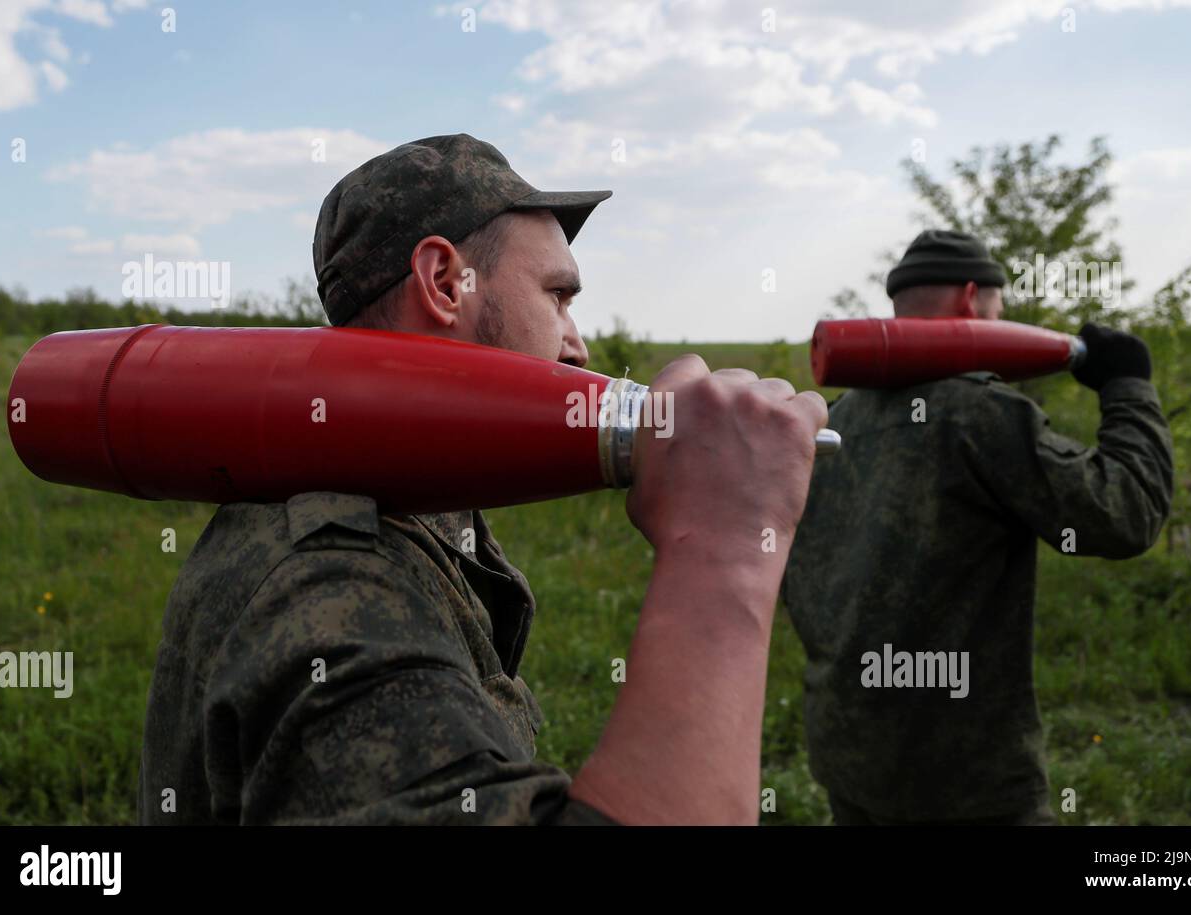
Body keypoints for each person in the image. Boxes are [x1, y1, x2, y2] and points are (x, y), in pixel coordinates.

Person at [138, 133, 828, 825]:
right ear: (445, 282)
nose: (578, 343)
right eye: (557, 295)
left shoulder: (392, 497)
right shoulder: (326, 586)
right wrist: (725, 546)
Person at [783, 229, 1174, 825]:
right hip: (967, 782)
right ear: (972, 300)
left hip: (849, 758)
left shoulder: (832, 422)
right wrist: (1130, 388)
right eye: (1000, 305)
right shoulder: (977, 411)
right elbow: (1125, 513)